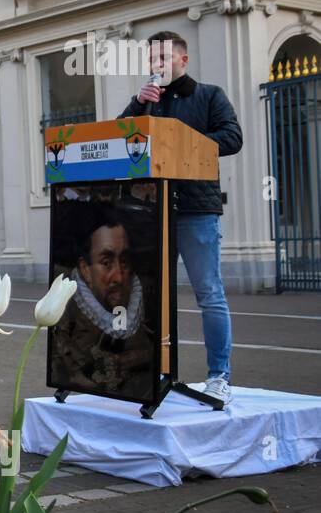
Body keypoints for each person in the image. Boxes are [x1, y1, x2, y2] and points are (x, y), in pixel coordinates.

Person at [119, 30, 242, 403]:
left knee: (209, 292)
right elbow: (120, 138)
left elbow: (233, 137)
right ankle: (157, 368)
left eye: (164, 59)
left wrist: (186, 142)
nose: (157, 66)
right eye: (152, 60)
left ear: (182, 61)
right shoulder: (144, 102)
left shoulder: (208, 96)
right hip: (154, 212)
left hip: (195, 210)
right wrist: (137, 105)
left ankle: (219, 375)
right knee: (154, 294)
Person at [51, 205, 154, 401]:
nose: (118, 277)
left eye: (123, 261)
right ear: (85, 269)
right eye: (106, 263)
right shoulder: (65, 304)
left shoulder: (143, 295)